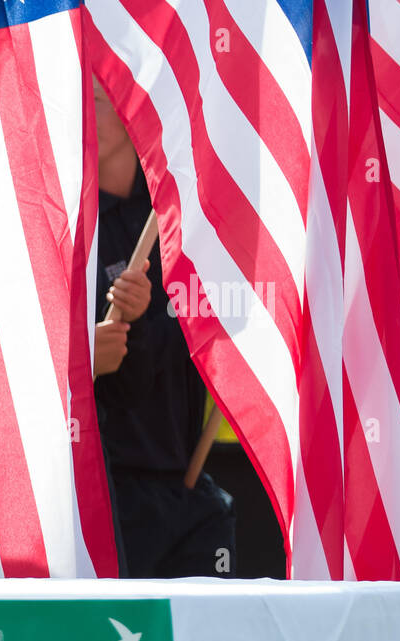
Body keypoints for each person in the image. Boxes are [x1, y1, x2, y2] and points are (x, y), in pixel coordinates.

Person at [93, 80, 236, 578]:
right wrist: (103, 345)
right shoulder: (71, 224)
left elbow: (215, 322)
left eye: (96, 102)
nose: (84, 115)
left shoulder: (184, 219)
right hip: (111, 492)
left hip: (192, 484)